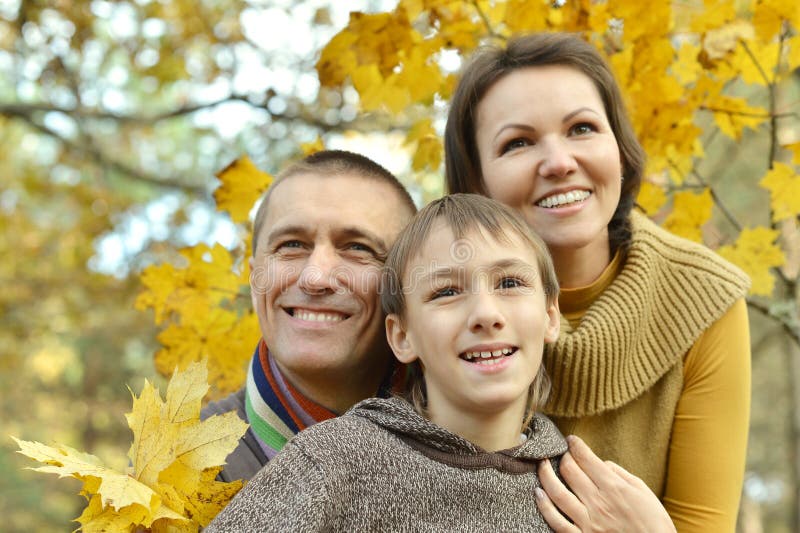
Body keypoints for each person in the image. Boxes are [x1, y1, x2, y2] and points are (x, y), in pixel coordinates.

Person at [445, 32, 750, 532]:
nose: (560, 162)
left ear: (621, 151)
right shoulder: (434, 302)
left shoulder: (702, 300)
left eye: (582, 128)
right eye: (518, 143)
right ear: (476, 183)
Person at [207, 193, 569, 532]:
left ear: (550, 314)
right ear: (402, 336)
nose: (486, 314)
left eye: (509, 282)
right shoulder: (334, 461)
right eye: (446, 292)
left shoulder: (576, 483)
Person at [201, 149, 417, 482]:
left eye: (358, 247)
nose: (315, 278)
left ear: (407, 285)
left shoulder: (483, 447)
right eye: (291, 245)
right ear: (255, 277)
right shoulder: (171, 473)